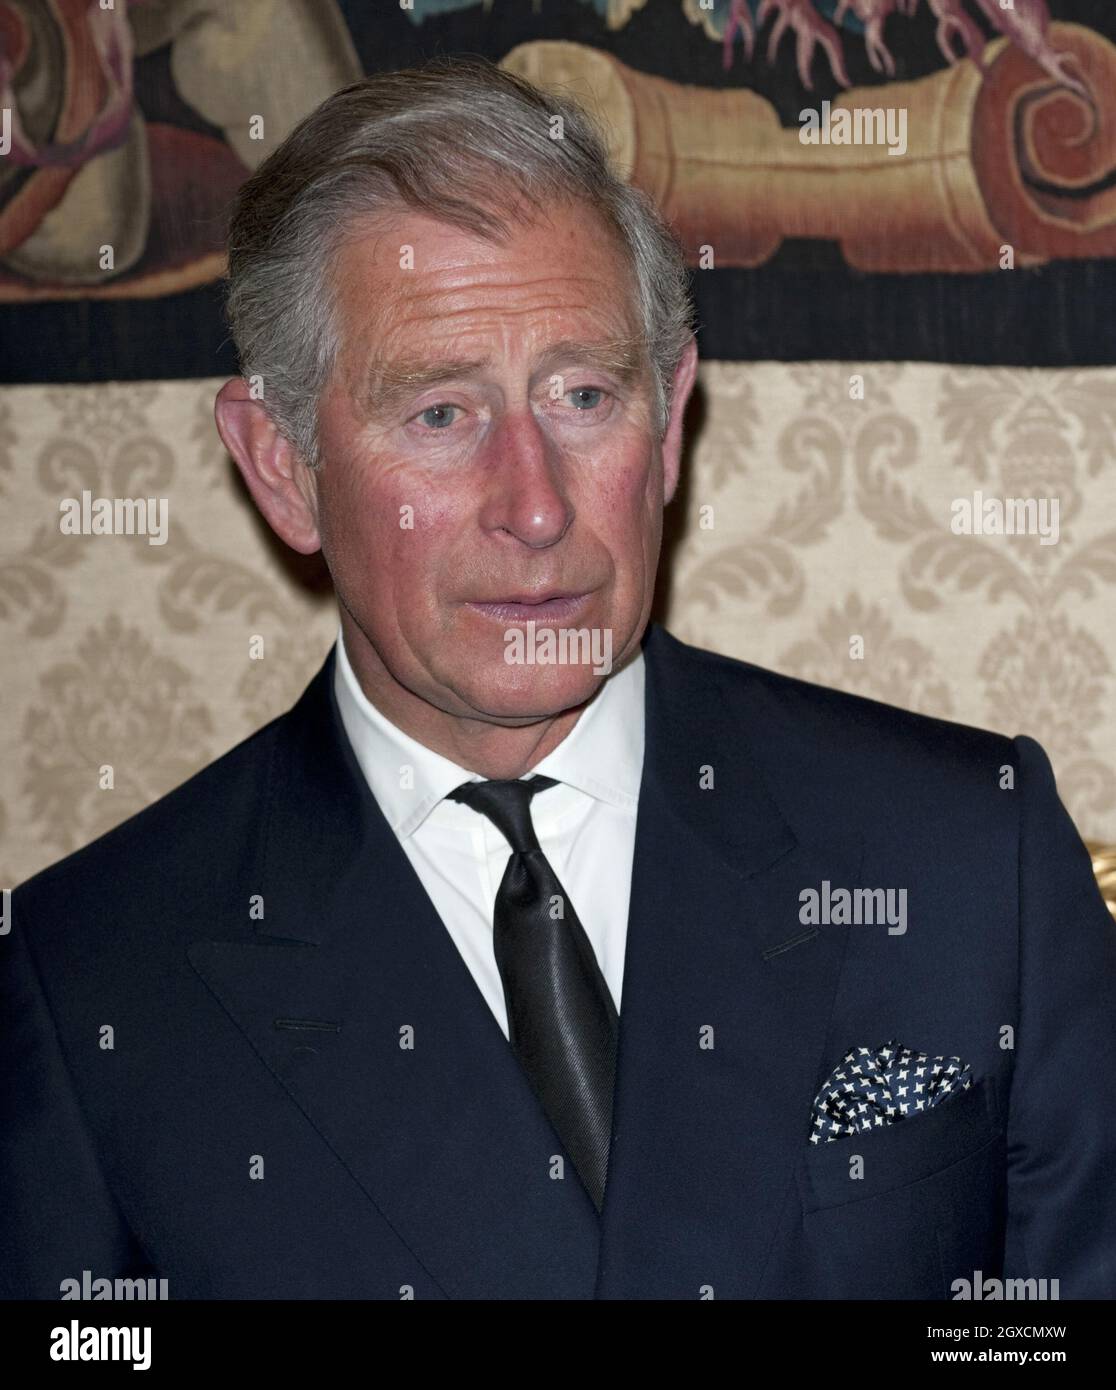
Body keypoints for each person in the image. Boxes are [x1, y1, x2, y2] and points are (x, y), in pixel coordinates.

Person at [3, 57, 1114, 1301]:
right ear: (282, 467)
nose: (535, 507)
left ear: (672, 415)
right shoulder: (95, 975)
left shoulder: (967, 852)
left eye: (583, 395)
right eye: (439, 413)